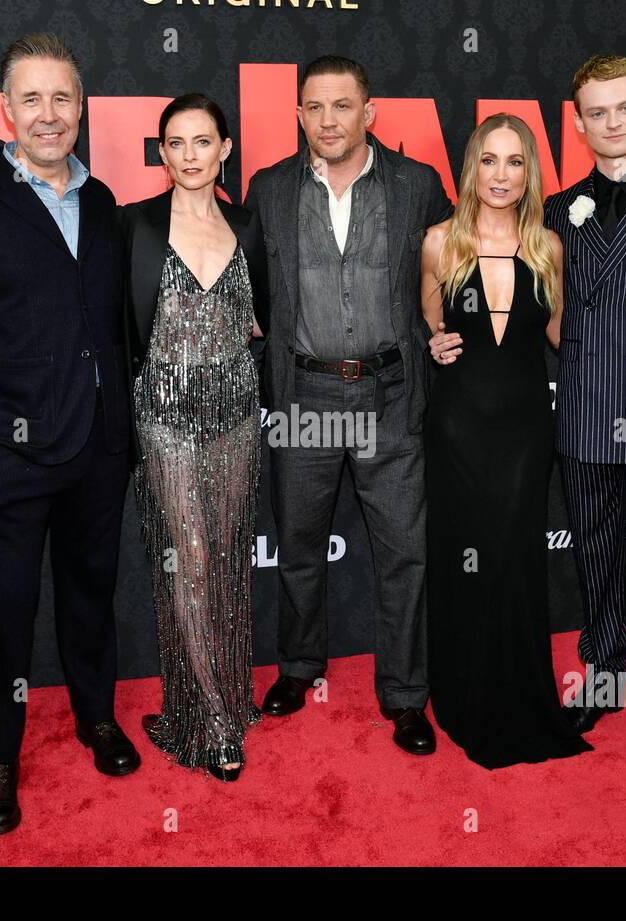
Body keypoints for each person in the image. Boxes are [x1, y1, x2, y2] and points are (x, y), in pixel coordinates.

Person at [440, 54, 626, 792]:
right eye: (596, 113)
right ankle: (604, 682)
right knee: (597, 568)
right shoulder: (556, 213)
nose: (611, 122)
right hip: (579, 422)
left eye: (623, 108)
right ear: (577, 124)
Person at [0, 33, 140, 836]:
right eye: (33, 100)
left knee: (91, 599)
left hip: (99, 451)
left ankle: (95, 718)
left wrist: (124, 435)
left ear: (82, 108)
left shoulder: (107, 205)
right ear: (6, 111)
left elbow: (114, 327)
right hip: (6, 456)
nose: (50, 115)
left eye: (63, 99)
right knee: (2, 612)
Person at [244, 55, 453, 754]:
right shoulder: (269, 188)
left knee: (404, 554)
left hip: (389, 393)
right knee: (298, 544)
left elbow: (451, 268)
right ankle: (298, 668)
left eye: (342, 107)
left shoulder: (418, 185)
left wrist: (451, 334)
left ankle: (405, 695)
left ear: (368, 112)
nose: (327, 120)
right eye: (314, 107)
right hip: (304, 392)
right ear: (299, 113)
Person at [420, 114, 593, 770]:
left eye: (514, 162)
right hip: (458, 429)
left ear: (530, 172)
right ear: (471, 168)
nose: (500, 175)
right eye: (488, 160)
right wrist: (434, 343)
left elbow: (560, 337)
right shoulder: (439, 243)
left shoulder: (548, 245)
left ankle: (518, 694)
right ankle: (463, 694)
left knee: (515, 564)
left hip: (524, 430)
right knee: (464, 561)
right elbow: (432, 327)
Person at [120, 94, 270, 782]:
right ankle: (211, 720)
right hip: (166, 419)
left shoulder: (248, 223)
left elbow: (262, 316)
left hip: (238, 413)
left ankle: (215, 701)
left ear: (225, 149)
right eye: (174, 143)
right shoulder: (135, 227)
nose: (187, 155)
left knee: (229, 557)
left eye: (201, 142)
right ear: (162, 151)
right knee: (193, 560)